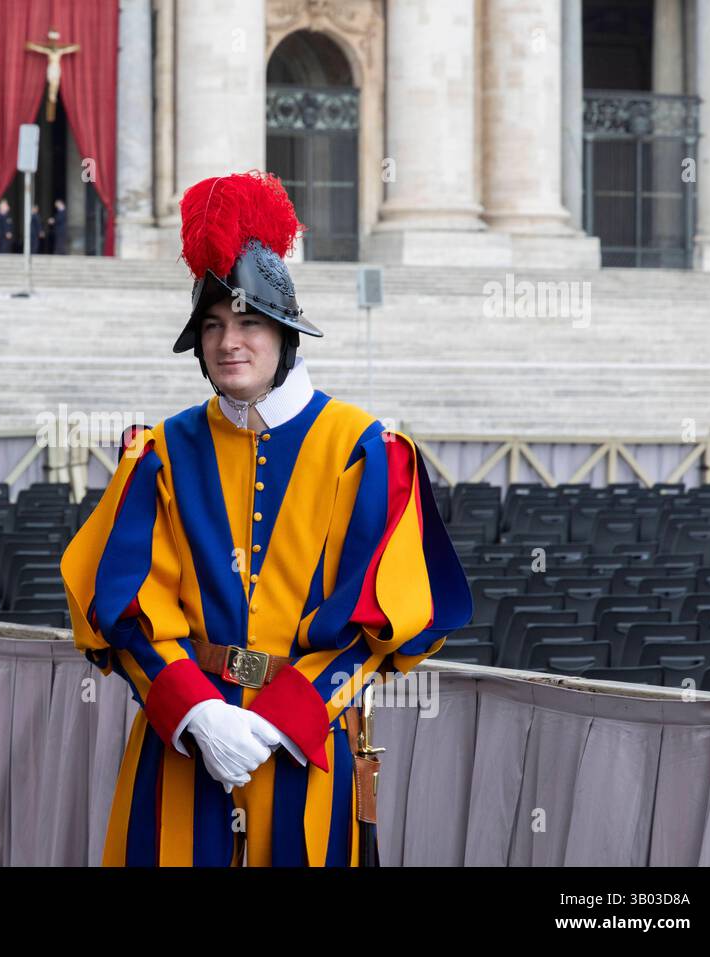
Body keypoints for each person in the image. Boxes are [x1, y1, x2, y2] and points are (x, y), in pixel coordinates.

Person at [61, 170, 471, 867]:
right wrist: (193, 709)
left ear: (284, 332)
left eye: (249, 322)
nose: (230, 342)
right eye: (214, 326)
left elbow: (377, 618)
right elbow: (123, 607)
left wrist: (287, 718)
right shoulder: (160, 452)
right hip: (185, 743)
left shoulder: (364, 449)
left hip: (305, 748)